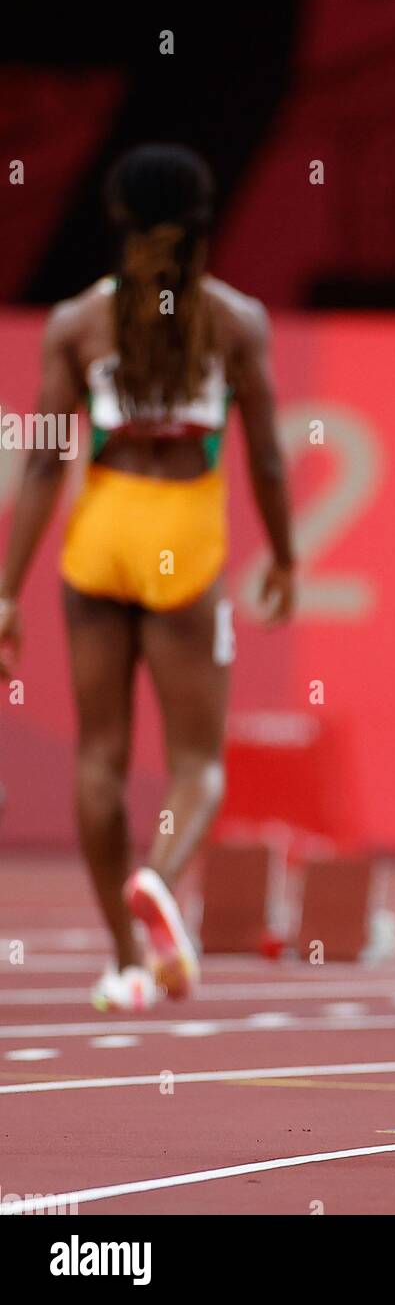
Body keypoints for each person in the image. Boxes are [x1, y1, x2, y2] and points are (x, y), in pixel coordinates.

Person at [0, 144, 296, 1012]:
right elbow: (271, 460)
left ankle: (128, 963)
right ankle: (159, 880)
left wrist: (8, 591)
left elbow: (47, 461)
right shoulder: (234, 320)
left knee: (100, 755)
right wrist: (283, 554)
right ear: (207, 223)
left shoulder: (75, 322)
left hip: (100, 536)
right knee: (199, 762)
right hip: (183, 537)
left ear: (115, 221)